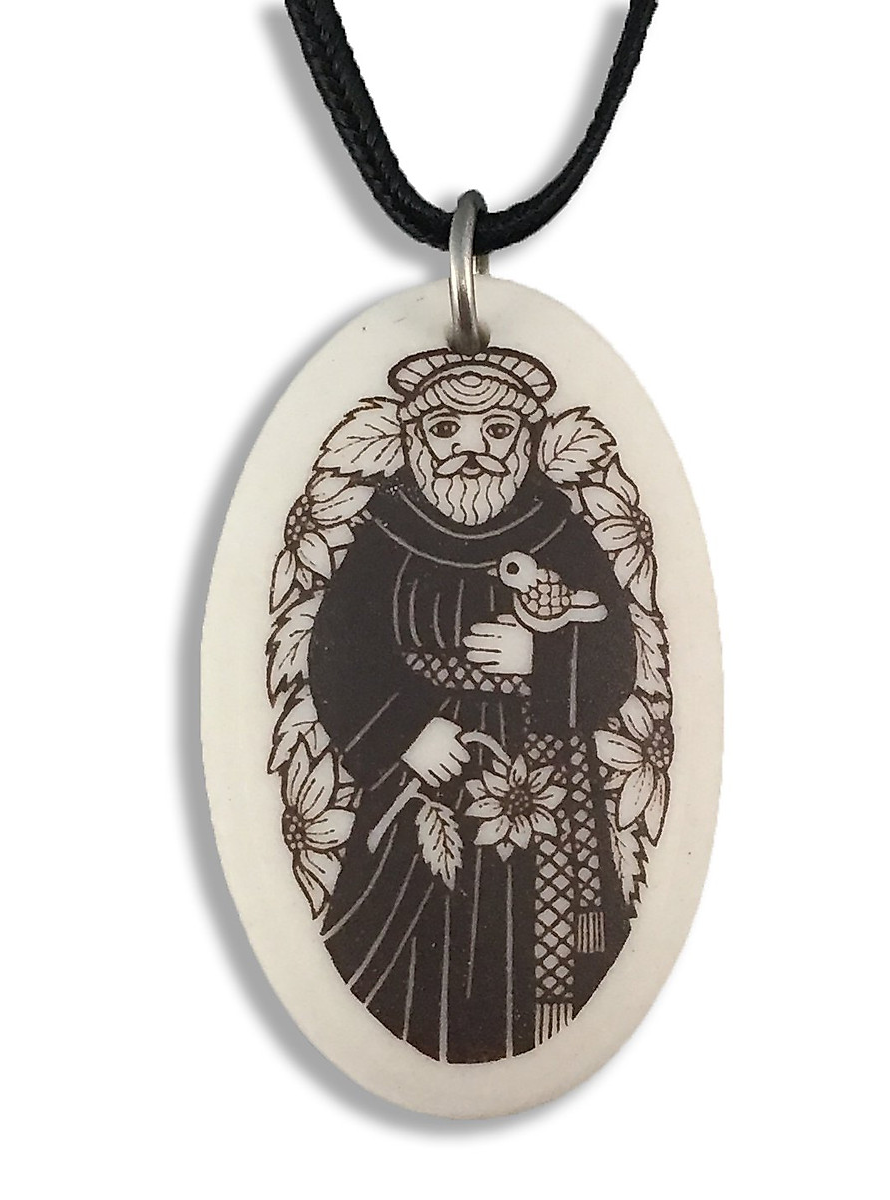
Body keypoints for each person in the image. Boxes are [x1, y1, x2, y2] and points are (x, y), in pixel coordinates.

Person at [309, 348, 636, 1062]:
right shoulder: (387, 532)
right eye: (446, 430)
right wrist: (406, 733)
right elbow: (338, 654)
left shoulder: (559, 530)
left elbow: (619, 658)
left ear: (524, 440)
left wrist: (541, 659)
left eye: (496, 431)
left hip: (542, 772)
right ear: (415, 438)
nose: (470, 450)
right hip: (424, 766)